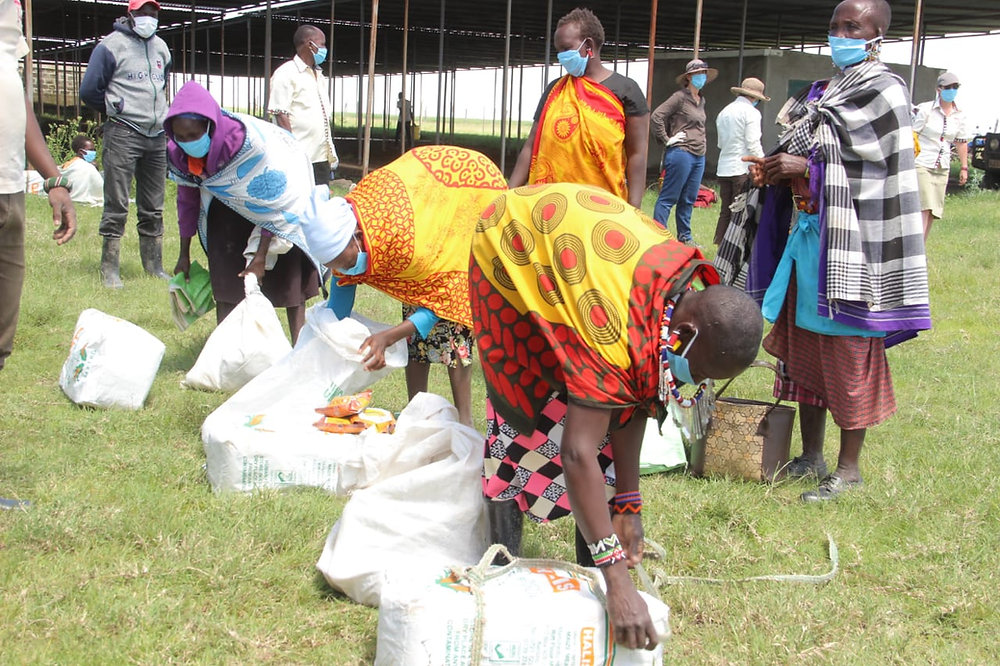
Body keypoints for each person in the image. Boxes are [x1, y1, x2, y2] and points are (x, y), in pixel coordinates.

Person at [471, 183, 763, 650]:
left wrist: (629, 502)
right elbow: (577, 452)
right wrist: (620, 584)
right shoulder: (610, 325)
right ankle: (507, 573)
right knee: (525, 412)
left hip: (578, 251)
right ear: (684, 333)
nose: (694, 383)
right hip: (512, 243)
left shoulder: (681, 296)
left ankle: (591, 576)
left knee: (602, 409)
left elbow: (639, 391)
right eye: (700, 371)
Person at [737, 0, 930, 502]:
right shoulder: (820, 93)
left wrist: (806, 168)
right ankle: (811, 455)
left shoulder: (885, 91)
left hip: (853, 247)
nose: (840, 34)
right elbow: (807, 151)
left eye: (853, 27)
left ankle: (848, 468)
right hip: (808, 240)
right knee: (805, 352)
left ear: (876, 35)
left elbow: (877, 172)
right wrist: (779, 169)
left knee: (846, 354)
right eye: (835, 26)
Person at [299, 146, 507, 427]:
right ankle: (415, 414)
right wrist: (317, 346)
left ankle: (465, 422)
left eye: (341, 262)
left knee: (455, 336)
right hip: (422, 207)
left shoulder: (404, 246)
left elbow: (441, 300)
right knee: (415, 339)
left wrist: (388, 336)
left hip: (467, 197)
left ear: (356, 237)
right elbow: (338, 308)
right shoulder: (350, 236)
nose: (341, 270)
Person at [166, 81, 321, 344]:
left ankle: (299, 346)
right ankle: (225, 350)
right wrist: (184, 253)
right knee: (227, 278)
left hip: (276, 204)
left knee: (287, 276)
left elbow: (276, 200)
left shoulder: (246, 144)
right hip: (224, 211)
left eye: (193, 135)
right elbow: (187, 200)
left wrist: (260, 255)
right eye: (180, 137)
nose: (187, 142)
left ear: (209, 126)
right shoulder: (178, 153)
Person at [508, 7, 649, 208]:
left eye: (566, 49)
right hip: (549, 206)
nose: (561, 56)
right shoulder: (555, 90)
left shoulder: (626, 90)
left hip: (603, 206)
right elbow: (531, 145)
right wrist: (509, 194)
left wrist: (635, 208)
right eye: (558, 51)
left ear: (588, 45)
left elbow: (637, 154)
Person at [2, 0, 77, 376]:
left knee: (2, 333)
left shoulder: (14, 10)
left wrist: (54, 179)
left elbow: (18, 100)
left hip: (9, 185)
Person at [79, 0, 171, 288]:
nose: (148, 18)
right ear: (130, 14)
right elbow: (89, 90)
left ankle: (153, 265)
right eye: (143, 13)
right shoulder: (110, 46)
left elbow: (163, 82)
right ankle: (110, 269)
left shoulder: (162, 48)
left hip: (156, 135)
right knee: (117, 201)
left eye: (153, 13)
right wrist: (115, 108)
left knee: (153, 205)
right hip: (123, 132)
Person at [650, 59, 717, 244]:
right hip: (681, 153)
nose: (702, 77)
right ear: (689, 77)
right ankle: (658, 236)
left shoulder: (701, 100)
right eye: (698, 74)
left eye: (704, 73)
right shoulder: (679, 97)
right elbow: (657, 116)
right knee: (668, 197)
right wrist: (667, 139)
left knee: (688, 199)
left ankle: (685, 237)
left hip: (698, 155)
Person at [268, 24, 338, 187]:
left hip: (320, 155)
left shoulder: (318, 74)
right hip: (300, 156)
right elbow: (280, 114)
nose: (324, 49)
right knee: (300, 202)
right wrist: (294, 151)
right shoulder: (286, 73)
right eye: (322, 44)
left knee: (319, 201)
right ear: (309, 44)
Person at [912, 71, 970, 240]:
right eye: (948, 87)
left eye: (955, 87)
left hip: (942, 166)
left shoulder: (960, 115)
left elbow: (961, 142)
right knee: (924, 207)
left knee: (933, 211)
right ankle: (917, 253)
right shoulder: (925, 110)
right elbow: (912, 134)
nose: (952, 90)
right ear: (939, 89)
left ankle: (921, 247)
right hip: (922, 162)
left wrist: (964, 167)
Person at [713, 77, 768, 245]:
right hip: (742, 169)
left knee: (725, 211)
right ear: (756, 97)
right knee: (739, 211)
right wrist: (763, 163)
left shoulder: (724, 111)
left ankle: (720, 244)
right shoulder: (751, 112)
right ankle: (734, 247)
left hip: (724, 167)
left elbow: (720, 143)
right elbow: (753, 143)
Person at [59, 135, 104, 207]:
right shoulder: (84, 167)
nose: (94, 152)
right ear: (82, 152)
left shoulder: (70, 163)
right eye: (91, 150)